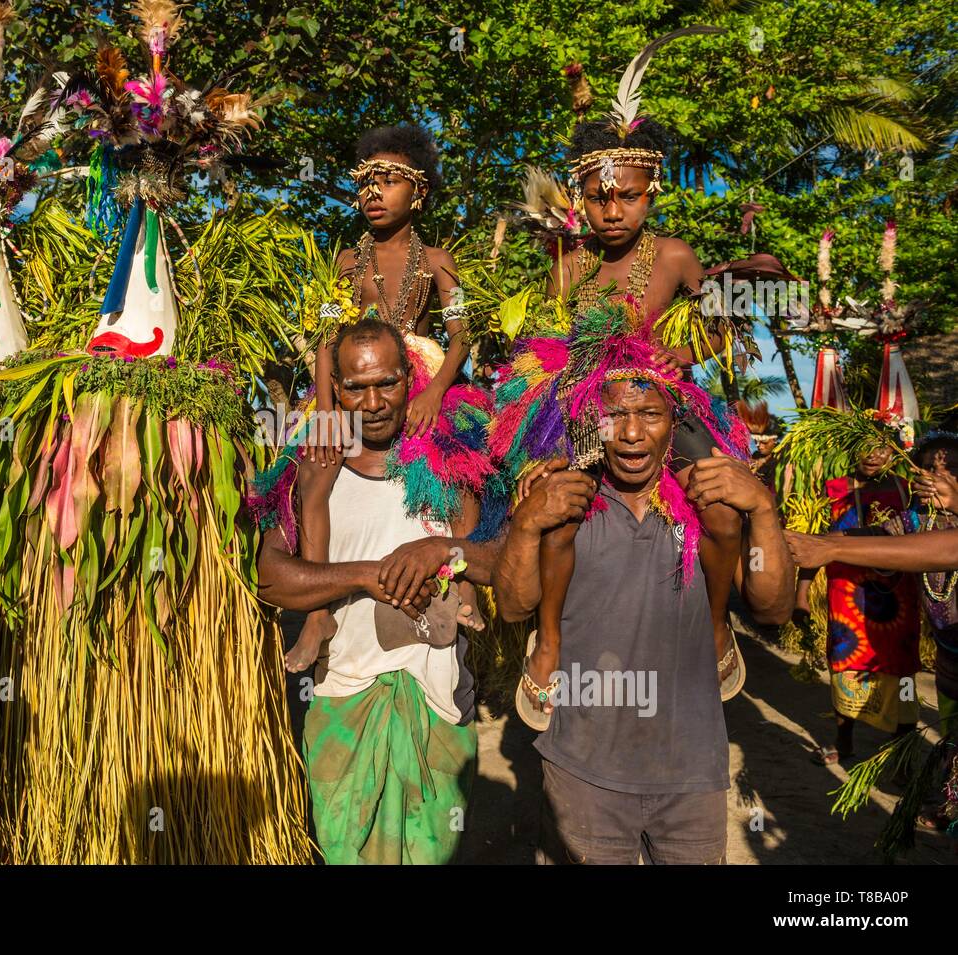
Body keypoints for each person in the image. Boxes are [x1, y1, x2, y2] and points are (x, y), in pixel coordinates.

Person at [492, 357, 793, 864]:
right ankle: (548, 645)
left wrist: (761, 507)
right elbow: (511, 605)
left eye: (651, 415)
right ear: (592, 423)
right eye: (614, 416)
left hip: (690, 772)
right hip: (584, 771)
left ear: (674, 424)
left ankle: (719, 631)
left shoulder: (706, 506)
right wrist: (525, 526)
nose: (632, 433)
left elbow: (775, 609)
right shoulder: (565, 498)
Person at [521, 64, 743, 719]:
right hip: (585, 409)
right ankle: (551, 637)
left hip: (663, 406)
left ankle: (714, 623)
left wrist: (682, 351)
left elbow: (722, 324)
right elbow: (543, 344)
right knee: (557, 512)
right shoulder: (569, 265)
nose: (612, 210)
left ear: (652, 194)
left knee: (725, 509)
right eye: (598, 197)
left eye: (627, 197)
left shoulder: (673, 255)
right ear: (580, 197)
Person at [256, 318, 501, 864]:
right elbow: (272, 575)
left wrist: (447, 557)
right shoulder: (312, 466)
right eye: (355, 387)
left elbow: (501, 563)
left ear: (408, 379)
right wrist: (367, 575)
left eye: (386, 383)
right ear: (335, 387)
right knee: (347, 848)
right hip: (345, 698)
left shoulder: (446, 464)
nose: (372, 402)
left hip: (438, 701)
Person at [286, 124, 475, 673]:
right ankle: (320, 612)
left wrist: (436, 394)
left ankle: (460, 587)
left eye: (389, 182)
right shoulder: (346, 262)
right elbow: (326, 335)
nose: (374, 192)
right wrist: (324, 406)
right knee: (316, 472)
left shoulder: (439, 262)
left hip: (419, 377)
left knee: (460, 461)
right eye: (366, 182)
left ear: (418, 194)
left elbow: (462, 333)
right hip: (354, 381)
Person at [786, 430, 958, 827]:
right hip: (947, 651)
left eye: (950, 470)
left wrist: (832, 548)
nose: (938, 476)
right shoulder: (915, 517)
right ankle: (949, 803)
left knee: (904, 680)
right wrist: (819, 546)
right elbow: (874, 534)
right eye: (931, 467)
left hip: (901, 613)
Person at [786, 417, 919, 766]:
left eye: (881, 447)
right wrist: (802, 595)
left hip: (899, 600)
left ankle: (902, 753)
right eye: (865, 447)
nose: (873, 456)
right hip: (846, 598)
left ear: (894, 450)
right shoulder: (833, 490)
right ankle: (843, 743)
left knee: (900, 671)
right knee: (845, 665)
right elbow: (814, 545)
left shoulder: (909, 491)